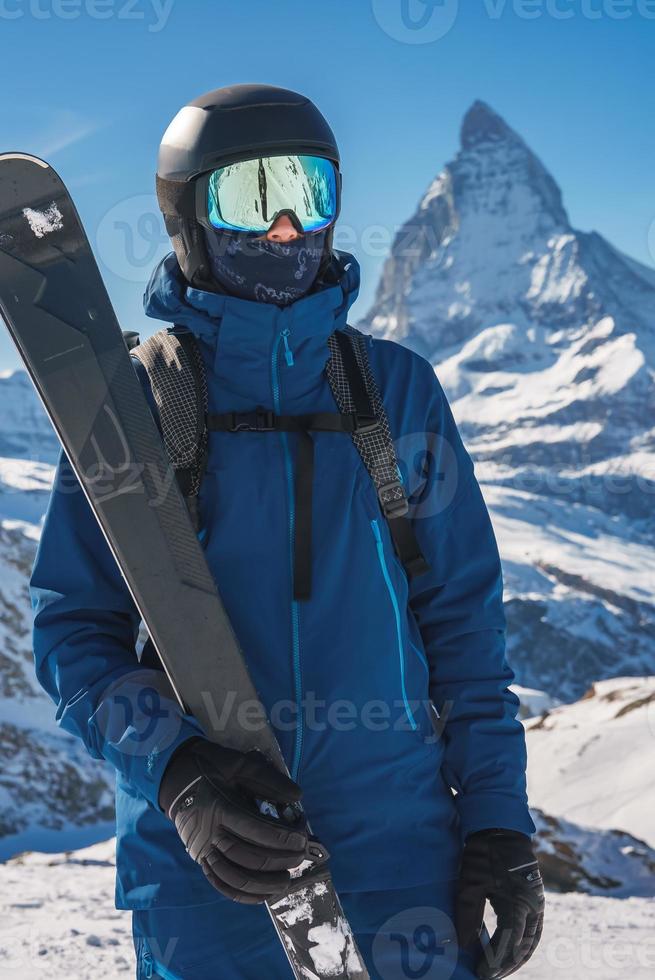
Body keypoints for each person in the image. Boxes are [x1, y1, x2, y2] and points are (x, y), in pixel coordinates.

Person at [30, 84, 544, 980]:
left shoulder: (394, 393)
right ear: (187, 217)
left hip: (406, 864)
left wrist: (498, 824)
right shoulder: (135, 406)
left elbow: (464, 628)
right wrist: (178, 774)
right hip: (210, 876)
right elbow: (73, 631)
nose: (281, 226)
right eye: (247, 194)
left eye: (308, 193)